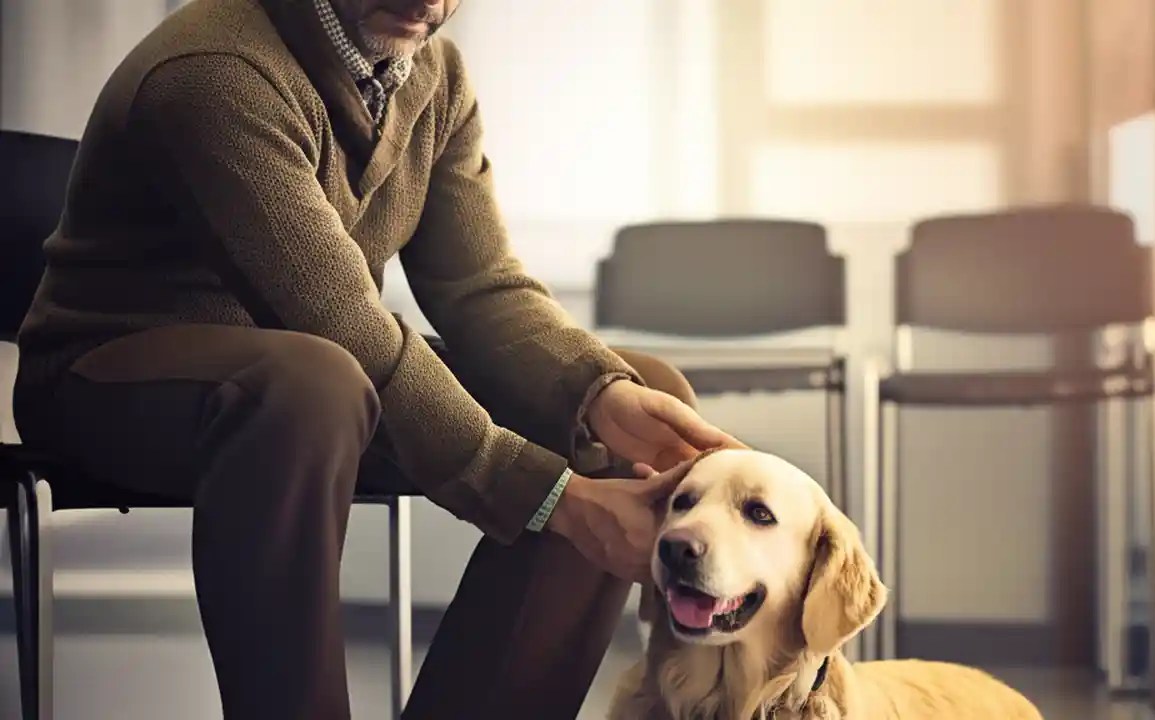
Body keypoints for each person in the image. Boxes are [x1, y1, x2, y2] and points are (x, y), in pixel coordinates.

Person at [12, 0, 741, 717]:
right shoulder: (212, 71)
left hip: (320, 384)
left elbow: (480, 288)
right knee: (312, 383)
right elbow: (339, 321)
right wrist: (553, 497)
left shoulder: (434, 73)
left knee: (630, 397)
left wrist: (597, 392)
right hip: (111, 380)